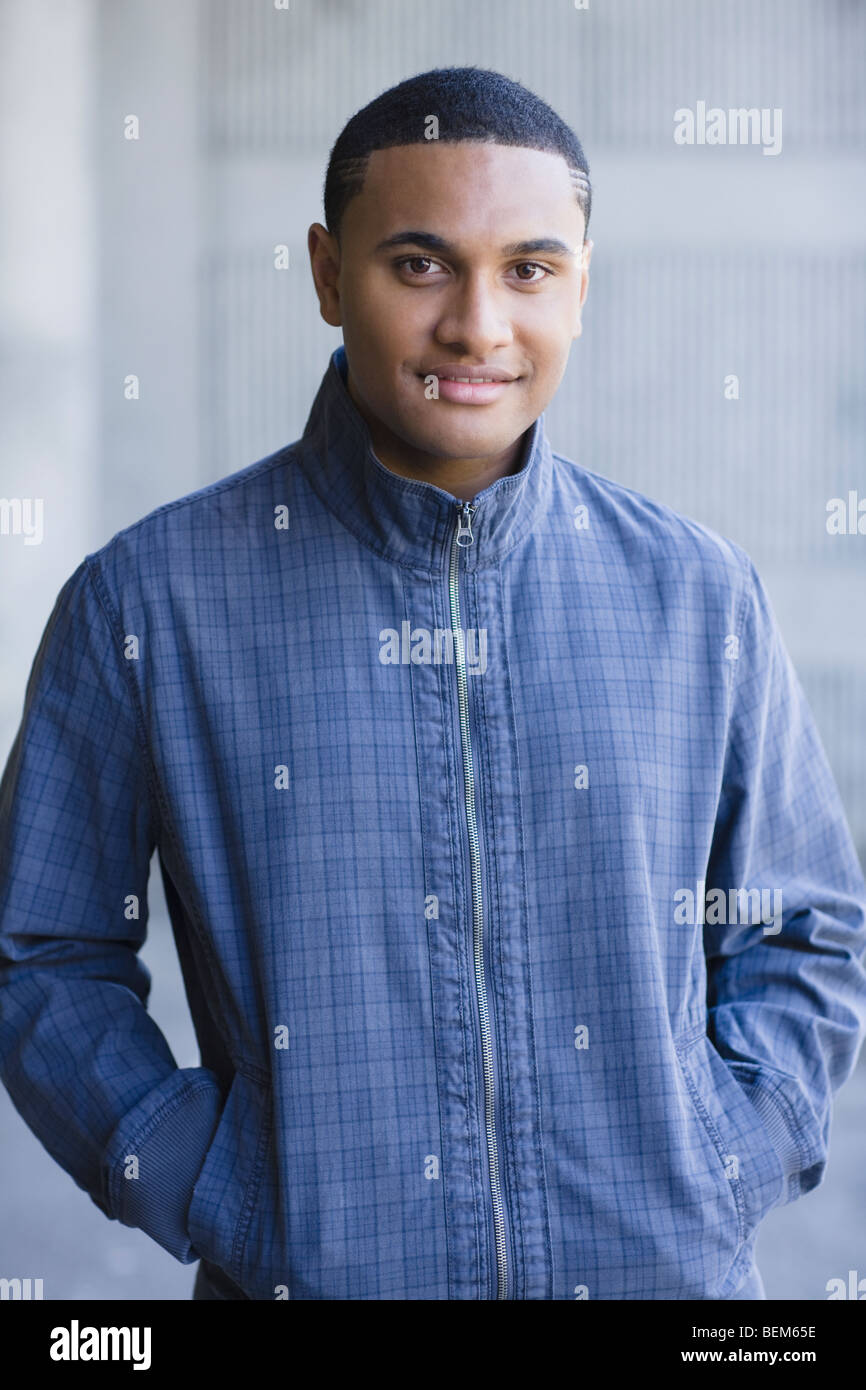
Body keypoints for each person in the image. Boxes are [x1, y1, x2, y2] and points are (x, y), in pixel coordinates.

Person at [1, 66, 865, 1303]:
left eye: (528, 268)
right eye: (418, 264)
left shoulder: (698, 596)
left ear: (580, 285)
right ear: (322, 273)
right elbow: (42, 948)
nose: (476, 326)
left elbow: (803, 929)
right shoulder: (148, 602)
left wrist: (722, 1158)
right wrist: (208, 1177)